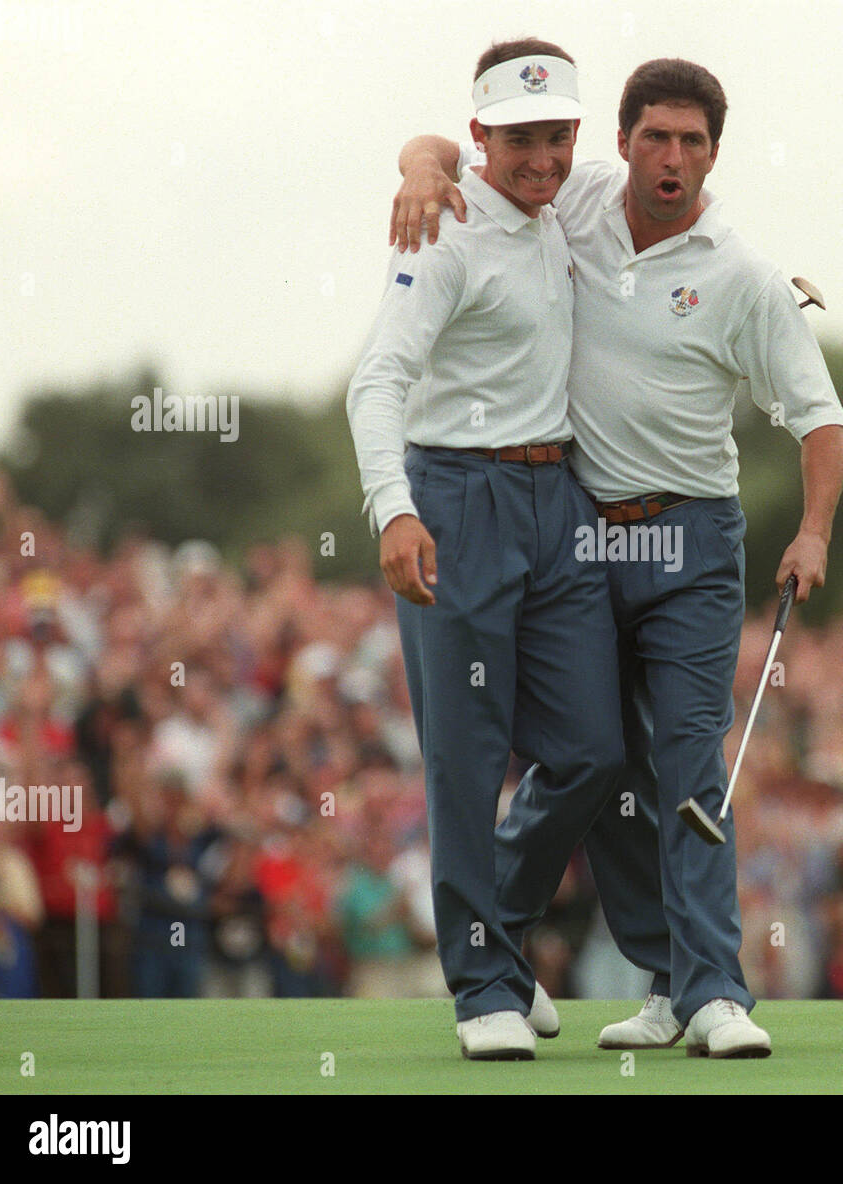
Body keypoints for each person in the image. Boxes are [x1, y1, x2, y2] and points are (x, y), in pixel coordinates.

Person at [390, 58, 843, 1057]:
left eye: (691, 142)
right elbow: (451, 146)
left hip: (689, 536)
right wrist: (420, 167)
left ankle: (713, 987)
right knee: (602, 758)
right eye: (655, 138)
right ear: (623, 144)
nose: (671, 157)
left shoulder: (743, 274)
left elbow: (819, 416)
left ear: (713, 155)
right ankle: (643, 971)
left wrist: (811, 530)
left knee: (683, 759)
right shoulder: (573, 196)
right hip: (583, 527)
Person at [347, 38, 624, 1059]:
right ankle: (481, 988)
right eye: (519, 139)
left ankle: (498, 933)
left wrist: (420, 152)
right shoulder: (447, 225)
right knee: (465, 759)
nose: (541, 156)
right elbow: (375, 381)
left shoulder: (574, 204)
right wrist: (393, 508)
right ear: (482, 138)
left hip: (560, 498)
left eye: (556, 134)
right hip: (457, 495)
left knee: (593, 745)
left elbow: (674, 202)